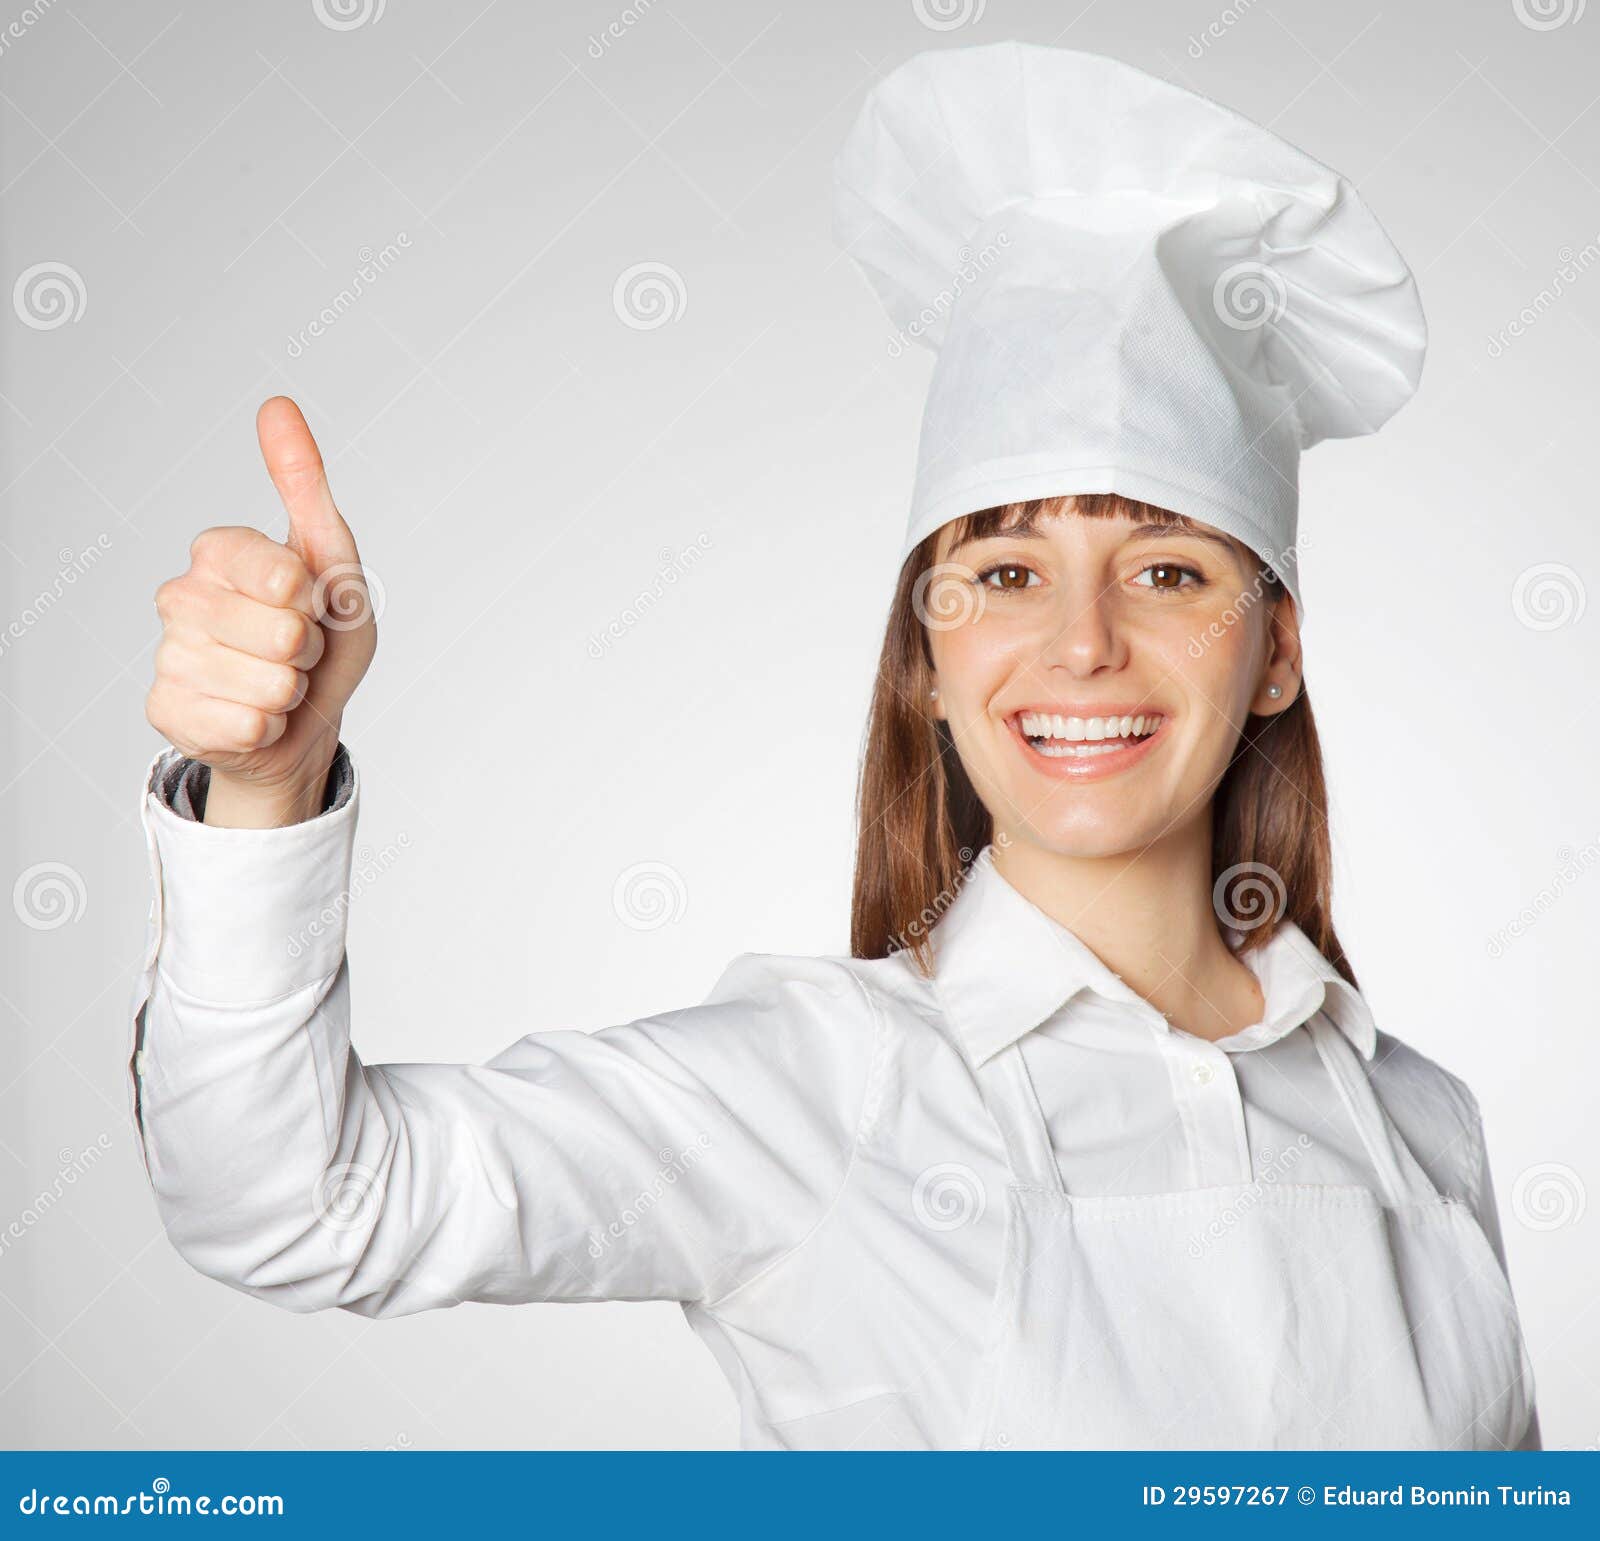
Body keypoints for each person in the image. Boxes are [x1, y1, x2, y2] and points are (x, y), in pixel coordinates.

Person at [129, 42, 1540, 1450]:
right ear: (927, 659)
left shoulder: (1420, 1125)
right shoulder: (817, 1090)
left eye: (1168, 570)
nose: (1083, 644)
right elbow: (296, 1202)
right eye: (1003, 572)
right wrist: (267, 789)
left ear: (1275, 649)